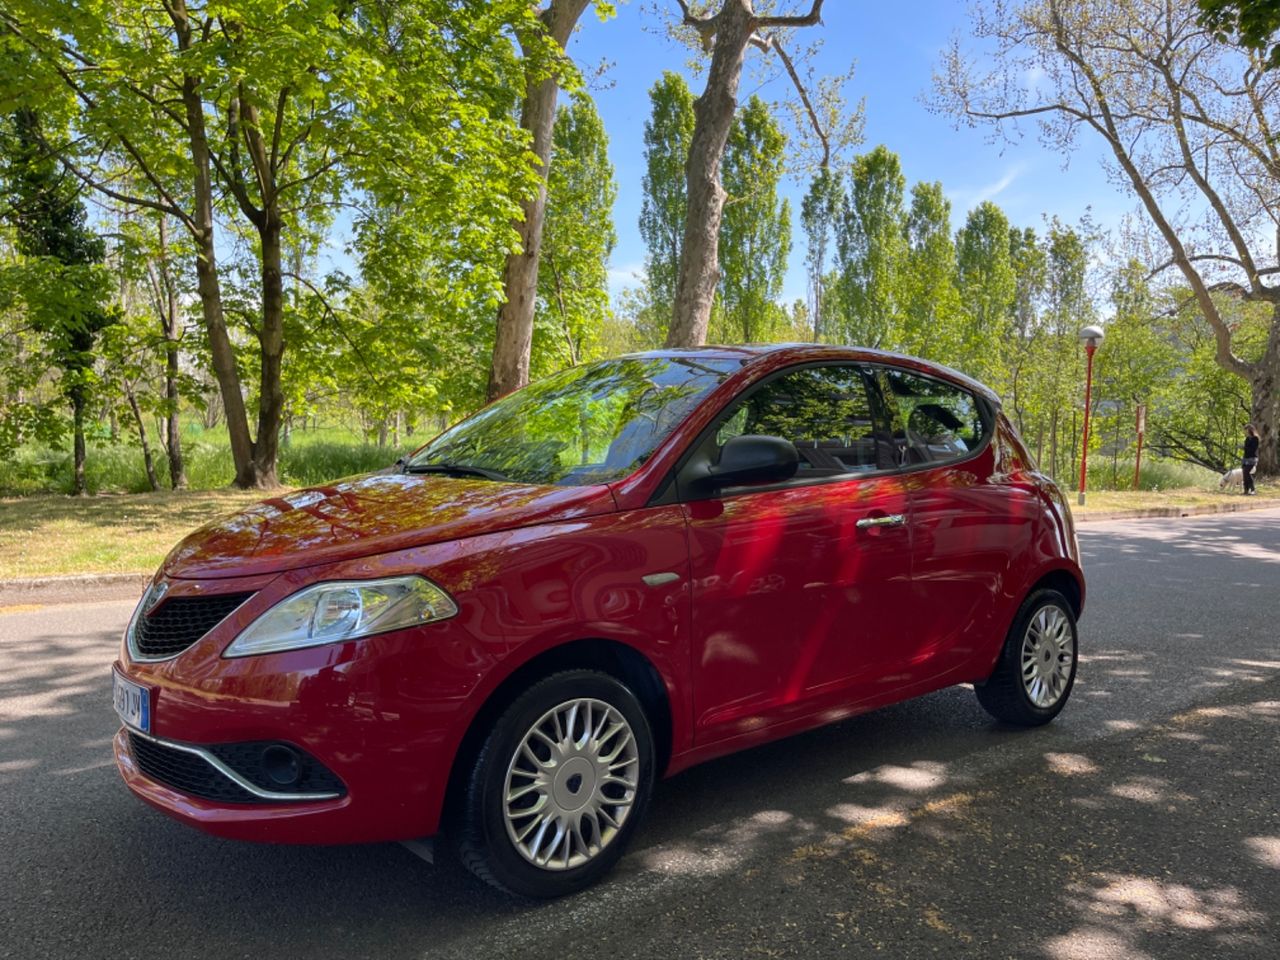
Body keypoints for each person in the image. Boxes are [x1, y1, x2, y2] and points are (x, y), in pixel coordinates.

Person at [1242, 423, 1260, 495]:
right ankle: (1246, 490)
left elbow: (1253, 449)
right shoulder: (1247, 439)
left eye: (1246, 430)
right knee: (1244, 474)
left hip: (1252, 458)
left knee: (1247, 472)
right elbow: (1246, 450)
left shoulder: (1255, 439)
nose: (1245, 432)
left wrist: (1244, 447)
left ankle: (1252, 489)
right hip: (1246, 458)